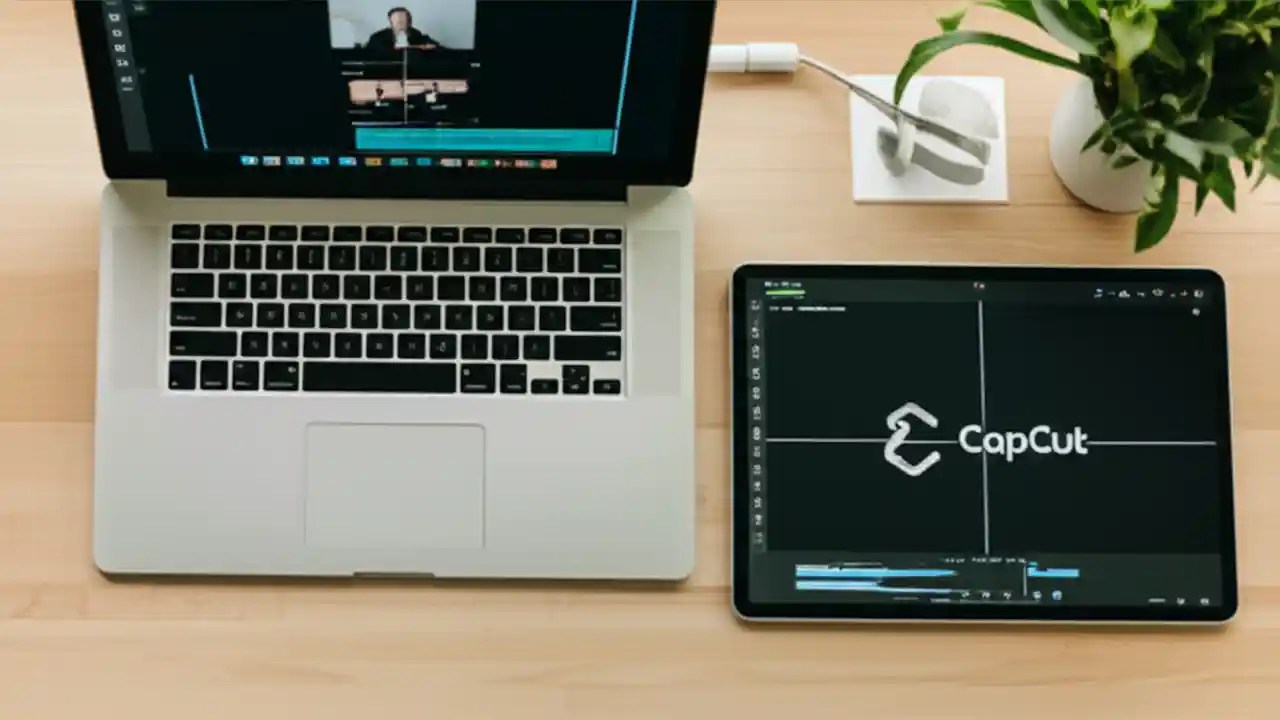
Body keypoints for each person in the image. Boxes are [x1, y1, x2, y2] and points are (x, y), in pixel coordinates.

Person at [364, 7, 442, 53]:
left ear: (409, 23)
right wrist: (417, 48)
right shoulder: (378, 38)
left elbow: (439, 49)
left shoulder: (418, 36)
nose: (401, 26)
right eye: (398, 23)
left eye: (403, 22)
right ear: (391, 23)